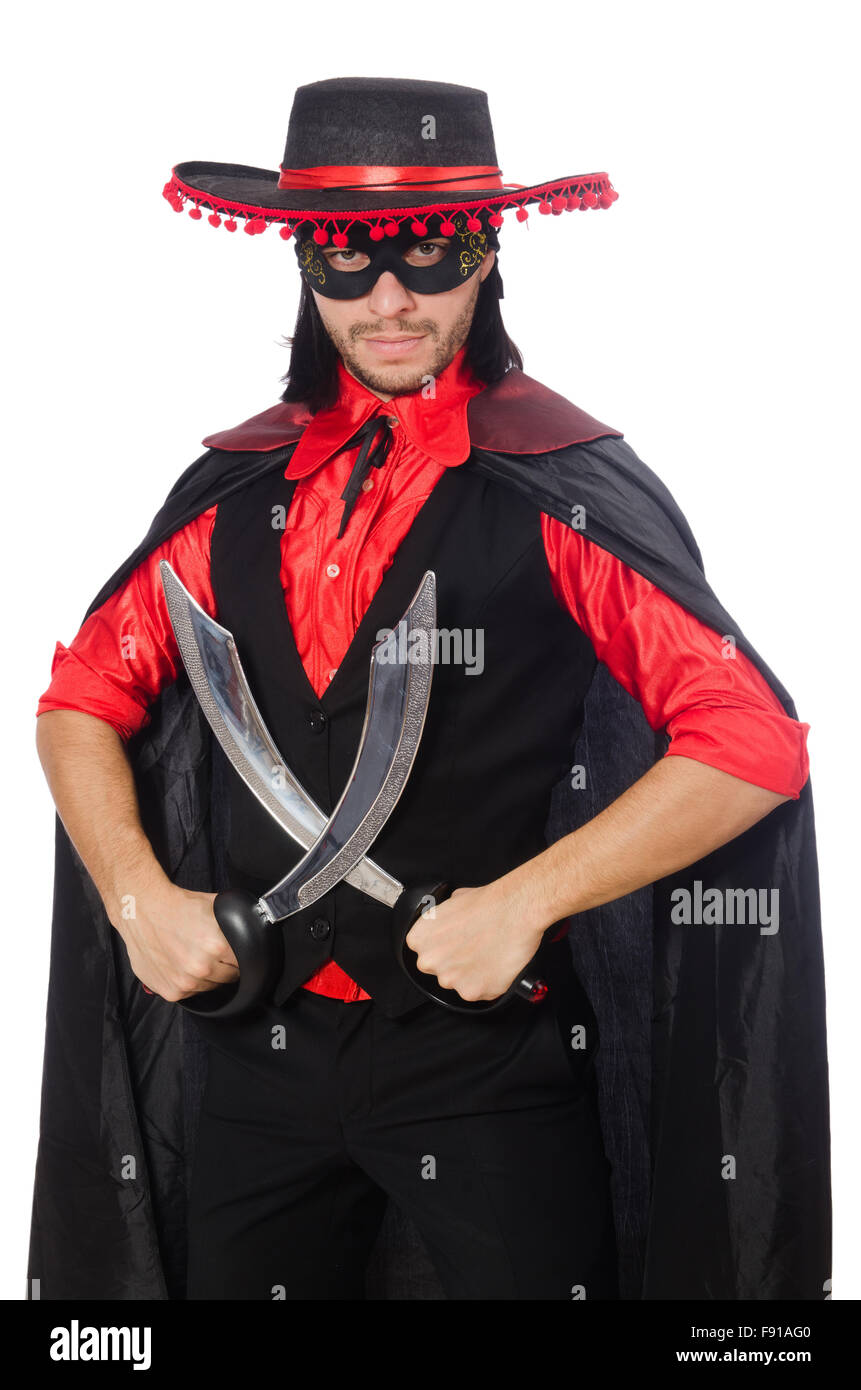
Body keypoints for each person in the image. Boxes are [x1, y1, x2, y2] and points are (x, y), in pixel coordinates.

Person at [28, 76, 830, 1301]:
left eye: (426, 249)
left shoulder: (555, 485)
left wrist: (529, 900)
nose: (389, 295)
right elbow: (84, 695)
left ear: (487, 252)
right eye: (345, 259)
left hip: (488, 1059)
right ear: (301, 264)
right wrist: (138, 897)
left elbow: (750, 741)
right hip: (256, 1051)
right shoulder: (231, 493)